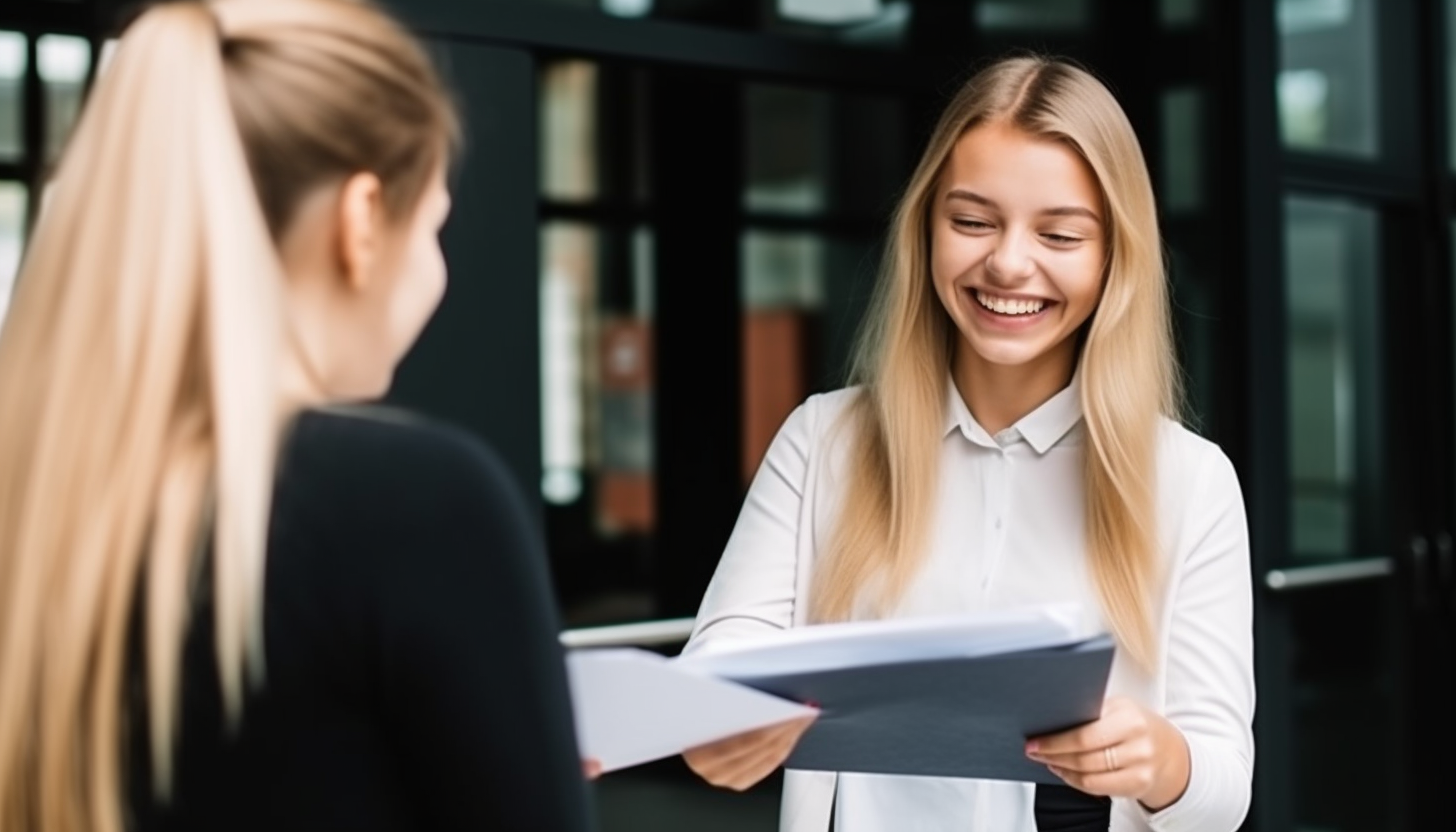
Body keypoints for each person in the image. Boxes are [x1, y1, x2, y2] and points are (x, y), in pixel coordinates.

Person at [0, 1, 594, 830]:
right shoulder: (411, 505)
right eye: (434, 230)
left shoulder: (34, 504)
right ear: (360, 222)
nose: (436, 274)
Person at [678, 55, 1254, 832]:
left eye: (1059, 233)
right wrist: (722, 715)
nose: (1009, 262)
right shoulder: (824, 441)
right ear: (927, 228)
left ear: (1115, 254)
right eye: (973, 221)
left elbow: (1223, 791)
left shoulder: (1190, 481)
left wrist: (1161, 760)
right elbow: (721, 663)